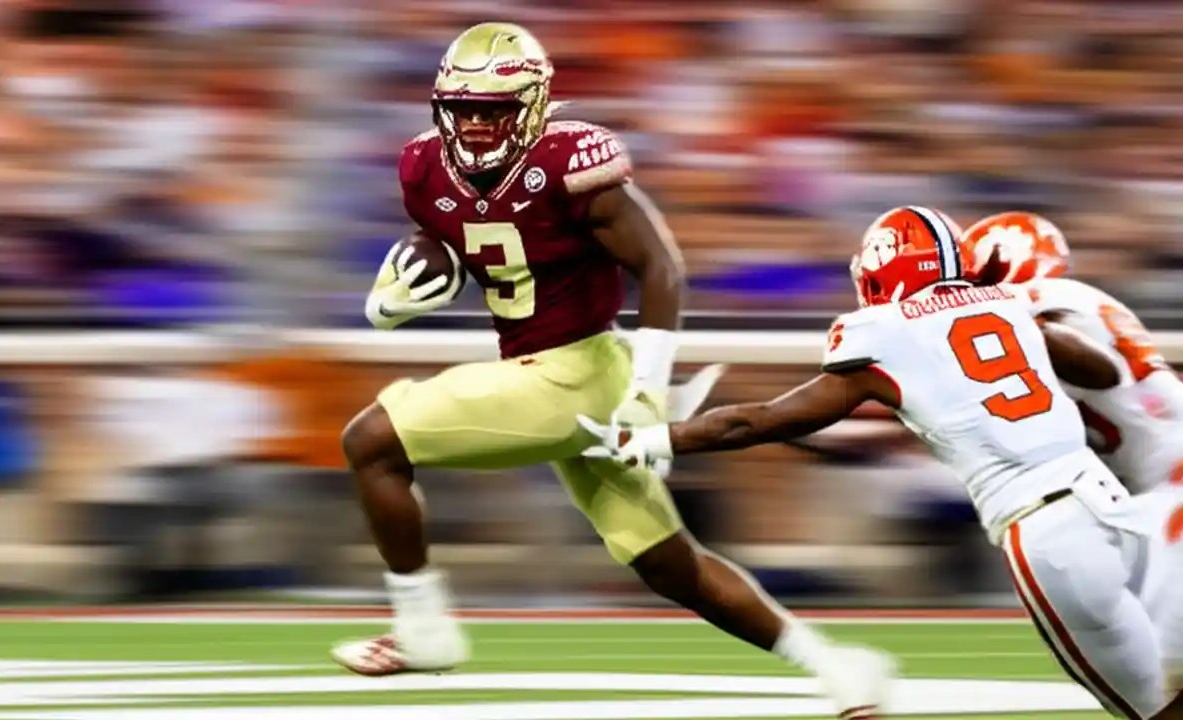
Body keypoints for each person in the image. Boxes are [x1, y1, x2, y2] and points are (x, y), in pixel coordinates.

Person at [332, 22, 894, 717]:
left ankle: (422, 628)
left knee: (371, 441)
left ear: (533, 105)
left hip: (581, 371)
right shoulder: (422, 167)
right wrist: (401, 290)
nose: (476, 123)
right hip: (551, 372)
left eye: (495, 109)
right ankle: (840, 670)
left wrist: (646, 389)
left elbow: (659, 265)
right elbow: (446, 234)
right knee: (668, 562)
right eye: (462, 108)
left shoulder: (571, 162)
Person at [578, 205, 1183, 720]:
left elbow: (761, 419)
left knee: (1150, 707)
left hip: (1045, 530)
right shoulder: (1008, 303)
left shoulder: (883, 331)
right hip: (1114, 504)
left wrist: (656, 439)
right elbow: (1102, 372)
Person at [961, 211, 1183, 495]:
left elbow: (1104, 374)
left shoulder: (1044, 300)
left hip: (1169, 470)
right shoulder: (1076, 299)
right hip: (1153, 472)